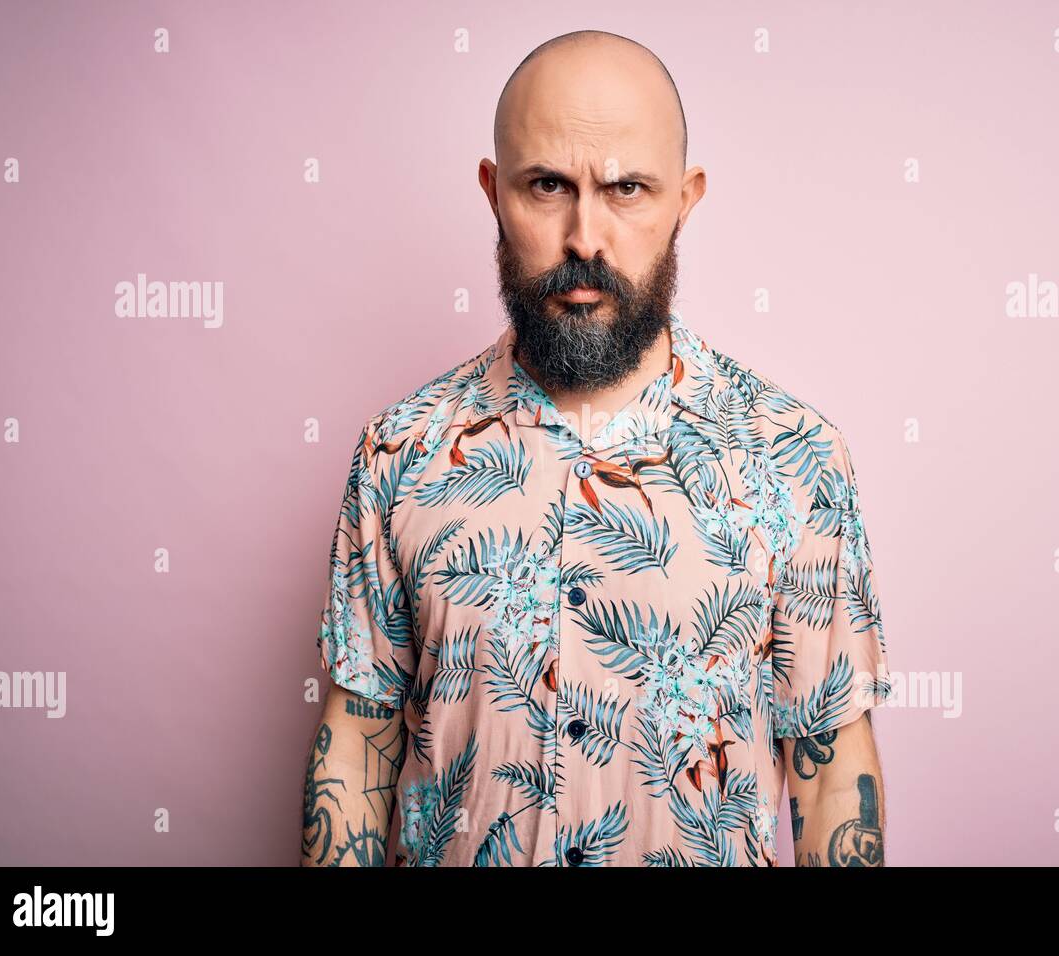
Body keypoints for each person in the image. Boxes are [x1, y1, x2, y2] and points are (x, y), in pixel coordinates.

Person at [300, 29, 892, 868]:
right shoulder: (399, 453)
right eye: (547, 185)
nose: (586, 236)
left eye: (627, 189)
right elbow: (358, 747)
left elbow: (832, 782)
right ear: (493, 191)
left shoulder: (795, 457)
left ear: (685, 199)